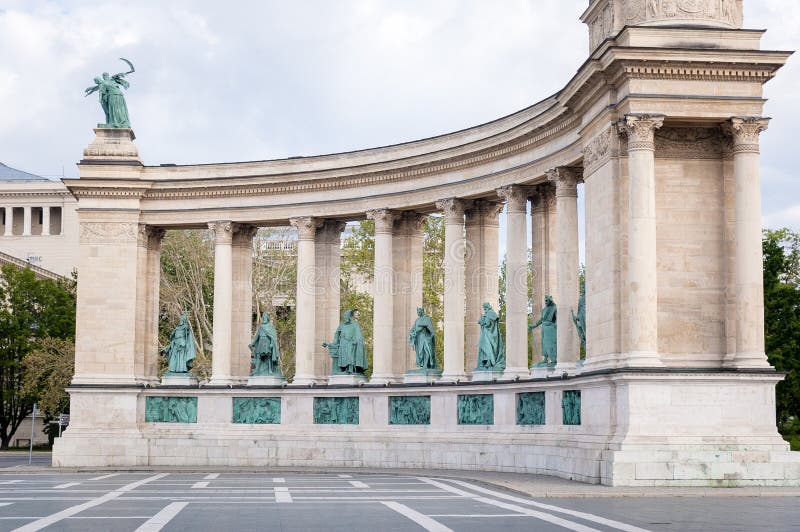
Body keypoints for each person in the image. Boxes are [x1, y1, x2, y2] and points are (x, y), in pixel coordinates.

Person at [323, 310, 368, 375]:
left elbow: (358, 335)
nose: (345, 318)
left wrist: (356, 341)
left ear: (350, 316)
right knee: (344, 351)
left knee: (350, 349)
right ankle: (344, 369)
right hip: (343, 343)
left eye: (347, 316)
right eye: (344, 316)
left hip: (352, 342)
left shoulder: (355, 324)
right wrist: (331, 344)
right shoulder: (341, 325)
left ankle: (350, 368)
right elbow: (336, 335)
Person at [530, 296, 557, 365]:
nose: (546, 302)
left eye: (547, 300)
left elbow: (557, 319)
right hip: (544, 327)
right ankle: (545, 359)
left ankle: (553, 359)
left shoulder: (554, 308)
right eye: (545, 301)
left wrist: (555, 325)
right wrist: (534, 326)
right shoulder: (544, 310)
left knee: (550, 343)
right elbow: (541, 320)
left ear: (550, 301)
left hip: (550, 328)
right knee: (544, 343)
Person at [476, 303, 504, 370]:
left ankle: (489, 362)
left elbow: (488, 324)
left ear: (487, 307)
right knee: (487, 348)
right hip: (490, 334)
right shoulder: (490, 314)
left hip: (489, 334)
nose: (484, 309)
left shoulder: (489, 313)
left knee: (488, 347)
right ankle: (486, 362)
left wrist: (482, 321)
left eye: (484, 308)